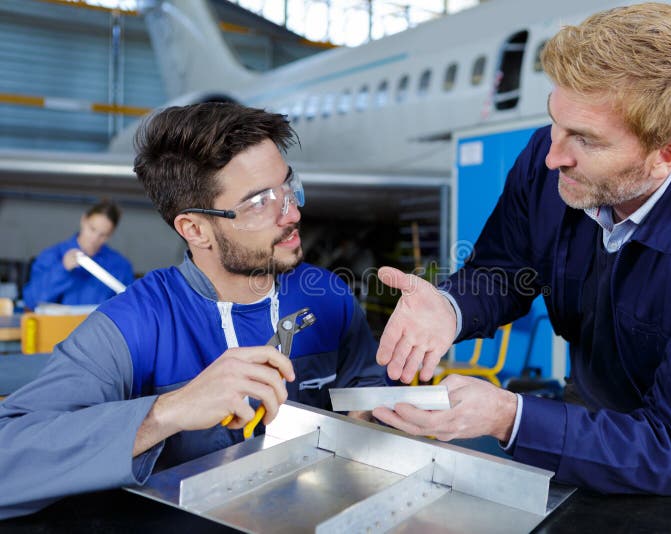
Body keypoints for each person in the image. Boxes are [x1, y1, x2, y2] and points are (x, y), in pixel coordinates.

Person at [372, 3, 671, 495]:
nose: (554, 154)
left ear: (667, 155)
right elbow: (506, 267)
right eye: (556, 121)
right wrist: (451, 307)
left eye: (586, 140)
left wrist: (508, 416)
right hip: (587, 432)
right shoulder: (546, 159)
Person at [0, 103, 385, 518]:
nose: (292, 213)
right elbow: (9, 455)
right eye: (259, 202)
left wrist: (385, 412)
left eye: (288, 188)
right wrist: (166, 412)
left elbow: (361, 390)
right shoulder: (132, 327)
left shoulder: (329, 297)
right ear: (195, 229)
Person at [22, 199, 134, 309]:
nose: (94, 239)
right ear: (84, 220)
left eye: (103, 235)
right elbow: (31, 301)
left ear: (111, 234)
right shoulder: (52, 256)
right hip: (57, 327)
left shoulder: (120, 266)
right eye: (92, 229)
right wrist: (62, 269)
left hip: (97, 327)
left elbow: (128, 308)